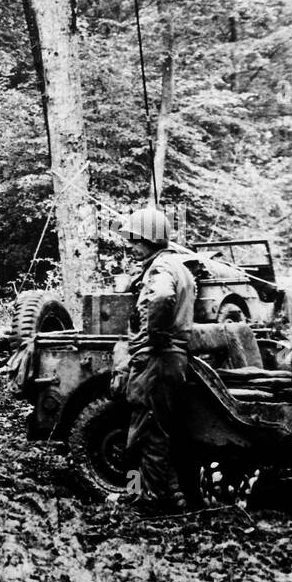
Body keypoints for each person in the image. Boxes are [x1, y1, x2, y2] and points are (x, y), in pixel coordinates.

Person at [113, 205, 197, 512]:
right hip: (171, 360)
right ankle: (137, 492)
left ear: (149, 239)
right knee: (146, 428)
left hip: (157, 359)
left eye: (135, 241)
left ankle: (148, 498)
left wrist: (155, 336)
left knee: (145, 433)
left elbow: (161, 298)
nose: (131, 247)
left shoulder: (161, 270)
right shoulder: (180, 267)